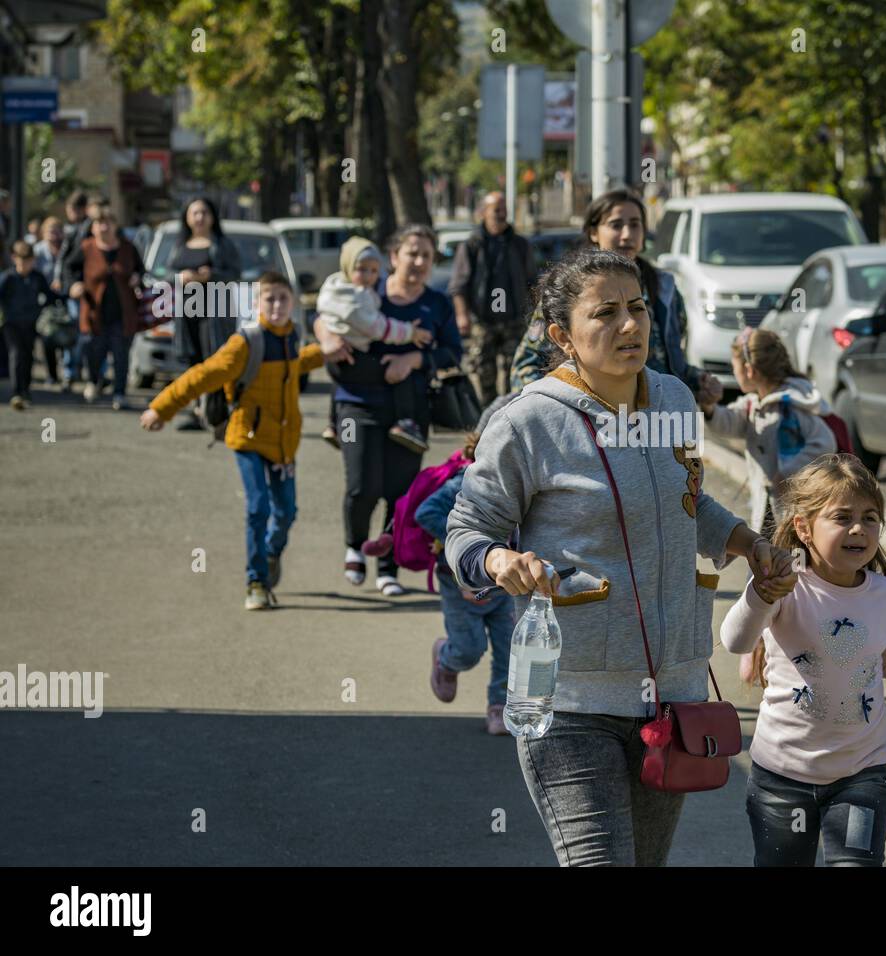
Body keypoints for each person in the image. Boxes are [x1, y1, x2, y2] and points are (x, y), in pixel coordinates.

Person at [445, 247, 792, 867]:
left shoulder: (673, 400)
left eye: (638, 307)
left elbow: (687, 500)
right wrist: (500, 562)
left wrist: (748, 542)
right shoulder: (527, 423)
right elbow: (467, 530)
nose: (629, 325)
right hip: (567, 702)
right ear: (561, 335)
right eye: (604, 313)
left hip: (672, 697)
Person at [721, 454, 886, 866]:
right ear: (803, 527)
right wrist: (762, 594)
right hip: (781, 779)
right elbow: (735, 640)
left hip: (862, 774)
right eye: (842, 517)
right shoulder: (784, 583)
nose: (858, 528)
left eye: (870, 517)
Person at [140, 272, 324, 611]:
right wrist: (161, 408)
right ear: (256, 303)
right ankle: (255, 581)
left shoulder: (291, 337)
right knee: (258, 508)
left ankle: (270, 554)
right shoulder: (245, 343)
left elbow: (295, 366)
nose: (277, 305)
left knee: (286, 513)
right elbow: (203, 375)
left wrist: (328, 352)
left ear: (293, 302)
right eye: (269, 298)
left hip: (284, 444)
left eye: (283, 298)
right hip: (248, 438)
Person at [314, 223, 460, 596]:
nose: (419, 261)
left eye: (427, 255)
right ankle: (355, 545)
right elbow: (325, 315)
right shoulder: (367, 288)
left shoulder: (437, 304)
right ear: (393, 257)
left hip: (409, 412)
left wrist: (414, 359)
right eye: (412, 253)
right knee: (363, 484)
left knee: (400, 491)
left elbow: (451, 353)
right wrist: (327, 338)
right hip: (355, 402)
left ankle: (388, 566)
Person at [509, 188, 723, 408]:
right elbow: (524, 366)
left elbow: (672, 363)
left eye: (635, 224)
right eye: (616, 225)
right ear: (593, 232)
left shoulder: (664, 288)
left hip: (654, 417)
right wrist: (552, 410)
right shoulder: (570, 290)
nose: (627, 234)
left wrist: (700, 383)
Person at [418, 395, 517, 735]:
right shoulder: (464, 481)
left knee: (508, 648)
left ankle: (498, 706)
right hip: (459, 582)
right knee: (469, 649)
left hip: (505, 584)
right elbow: (426, 512)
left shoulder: (523, 484)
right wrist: (462, 552)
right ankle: (447, 659)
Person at [699, 327, 836, 537]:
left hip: (796, 510)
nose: (733, 372)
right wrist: (709, 408)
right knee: (767, 560)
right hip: (768, 507)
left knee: (785, 561)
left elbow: (824, 443)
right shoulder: (755, 404)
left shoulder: (791, 405)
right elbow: (730, 422)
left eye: (734, 366)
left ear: (749, 370)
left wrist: (787, 472)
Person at [316, 236, 432, 452]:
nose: (368, 276)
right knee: (399, 371)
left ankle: (332, 425)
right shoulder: (355, 298)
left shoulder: (336, 286)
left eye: (373, 270)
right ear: (395, 257)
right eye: (362, 269)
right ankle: (405, 422)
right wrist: (410, 333)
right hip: (354, 368)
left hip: (345, 365)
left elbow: (451, 351)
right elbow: (378, 328)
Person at [448, 191, 535, 404]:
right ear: (483, 212)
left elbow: (532, 281)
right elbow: (458, 285)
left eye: (504, 209)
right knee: (483, 373)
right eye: (496, 209)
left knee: (513, 372)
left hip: (514, 319)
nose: (501, 214)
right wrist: (462, 316)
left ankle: (511, 414)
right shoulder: (472, 245)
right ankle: (487, 417)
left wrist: (535, 315)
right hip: (483, 320)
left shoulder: (519, 244)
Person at [166, 197, 243, 430]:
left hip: (216, 312)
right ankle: (196, 411)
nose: (199, 217)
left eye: (204, 212)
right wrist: (182, 278)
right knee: (193, 361)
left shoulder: (223, 244)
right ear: (187, 217)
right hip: (187, 312)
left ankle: (217, 413)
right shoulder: (179, 244)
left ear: (212, 217)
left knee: (215, 360)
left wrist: (211, 275)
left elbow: (235, 274)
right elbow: (165, 274)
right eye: (195, 213)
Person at [64, 210, 144, 411]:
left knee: (120, 354)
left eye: (108, 222)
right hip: (94, 311)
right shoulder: (85, 247)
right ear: (93, 227)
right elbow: (69, 269)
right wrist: (73, 285)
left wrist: (137, 278)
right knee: (93, 350)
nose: (104, 227)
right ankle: (93, 381)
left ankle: (120, 392)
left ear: (116, 225)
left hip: (123, 311)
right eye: (100, 223)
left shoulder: (128, 248)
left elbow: (140, 270)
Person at [0, 241, 58, 410]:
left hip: (31, 323)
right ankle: (17, 392)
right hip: (11, 323)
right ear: (14, 259)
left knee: (28, 355)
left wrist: (63, 295)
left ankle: (25, 389)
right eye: (22, 260)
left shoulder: (37, 277)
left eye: (29, 260)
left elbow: (49, 295)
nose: (25, 264)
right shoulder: (8, 277)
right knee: (16, 354)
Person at [52, 192, 93, 390]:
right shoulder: (72, 230)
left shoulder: (89, 229)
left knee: (88, 332)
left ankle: (91, 373)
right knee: (72, 332)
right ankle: (70, 372)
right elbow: (64, 260)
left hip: (86, 290)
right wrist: (59, 279)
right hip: (72, 290)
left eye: (71, 210)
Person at [33, 217, 67, 386]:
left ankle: (68, 372)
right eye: (49, 231)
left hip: (64, 297)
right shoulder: (38, 251)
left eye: (56, 230)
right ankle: (52, 374)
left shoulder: (66, 249)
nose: (53, 235)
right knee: (47, 337)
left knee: (66, 335)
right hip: (45, 299)